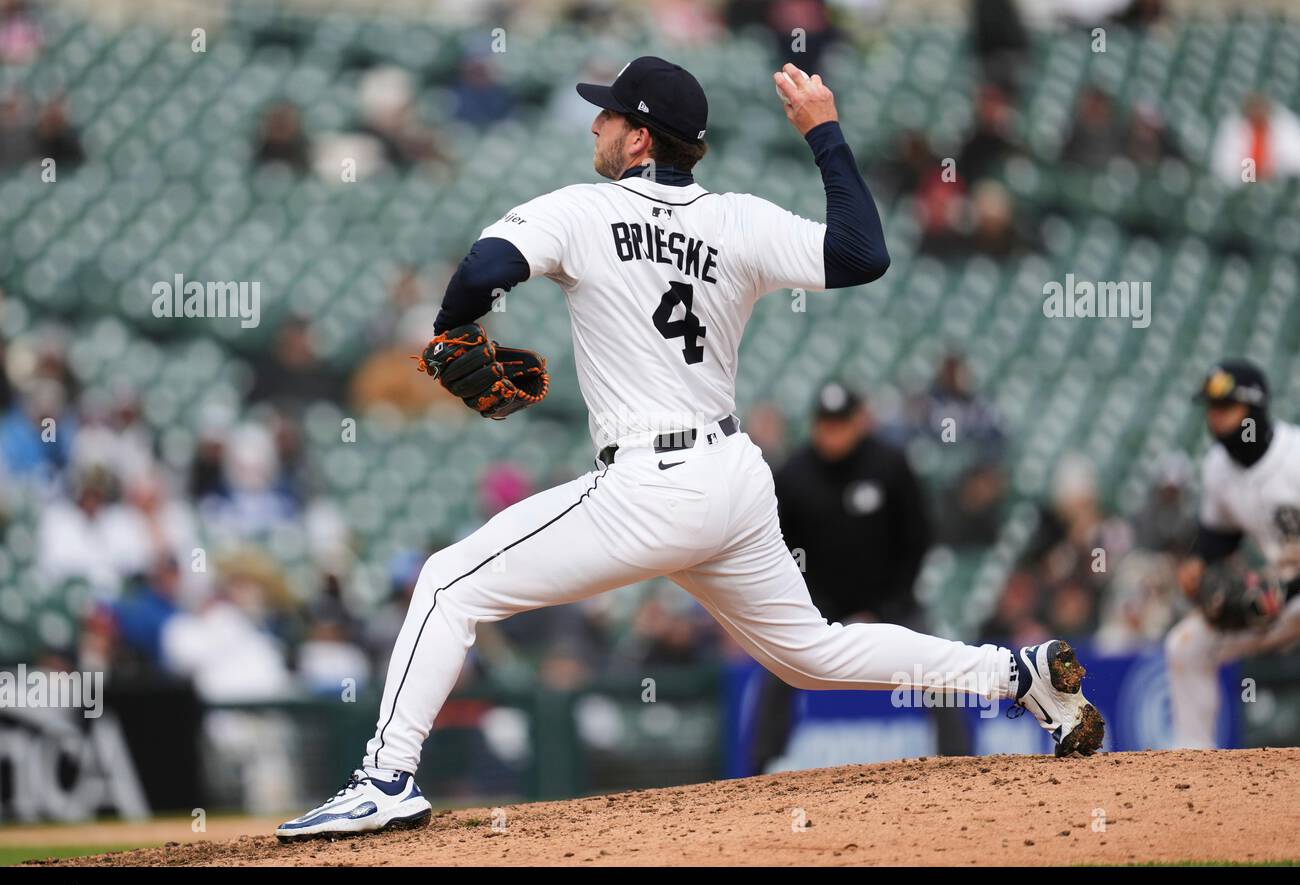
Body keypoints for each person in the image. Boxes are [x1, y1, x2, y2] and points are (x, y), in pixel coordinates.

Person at [277, 58, 1104, 841]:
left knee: (447, 582)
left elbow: (484, 265)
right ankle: (1015, 675)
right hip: (734, 478)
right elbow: (864, 254)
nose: (594, 122)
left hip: (649, 483)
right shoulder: (738, 219)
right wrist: (825, 131)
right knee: (811, 655)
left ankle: (386, 779)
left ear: (638, 137)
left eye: (607, 113)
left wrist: (455, 327)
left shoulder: (583, 210)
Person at [752, 382, 936, 770]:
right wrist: (816, 605)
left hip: (892, 603)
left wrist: (886, 605)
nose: (832, 432)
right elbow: (781, 550)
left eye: (841, 423)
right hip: (820, 606)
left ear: (859, 422)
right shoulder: (794, 475)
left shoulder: (890, 464)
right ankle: (758, 773)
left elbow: (917, 539)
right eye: (825, 423)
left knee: (935, 665)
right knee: (777, 668)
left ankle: (961, 758)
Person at [1164, 360, 1300, 748]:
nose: (1215, 419)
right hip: (1279, 597)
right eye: (1211, 409)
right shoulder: (1217, 469)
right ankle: (1191, 764)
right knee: (1185, 647)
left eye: (1226, 408)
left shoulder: (1295, 457)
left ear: (1254, 409)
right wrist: (1198, 562)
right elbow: (1217, 535)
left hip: (1286, 591)